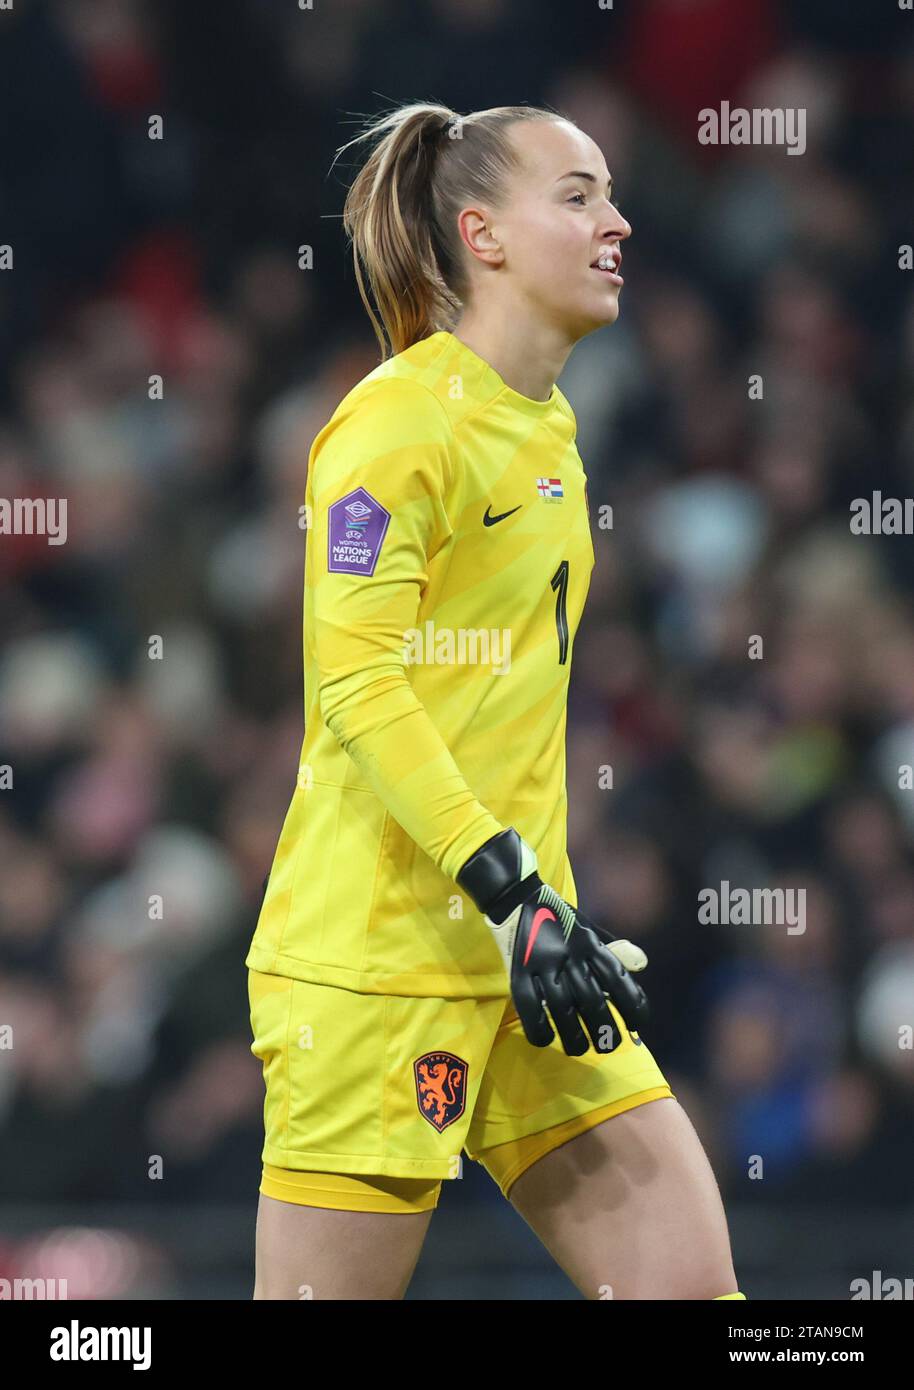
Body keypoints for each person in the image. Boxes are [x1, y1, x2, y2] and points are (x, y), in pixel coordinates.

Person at [246, 101, 745, 1301]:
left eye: (611, 195)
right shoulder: (394, 425)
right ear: (483, 234)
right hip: (382, 966)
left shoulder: (553, 429)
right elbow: (359, 685)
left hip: (530, 955)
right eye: (574, 197)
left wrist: (530, 907)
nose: (616, 222)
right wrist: (507, 884)